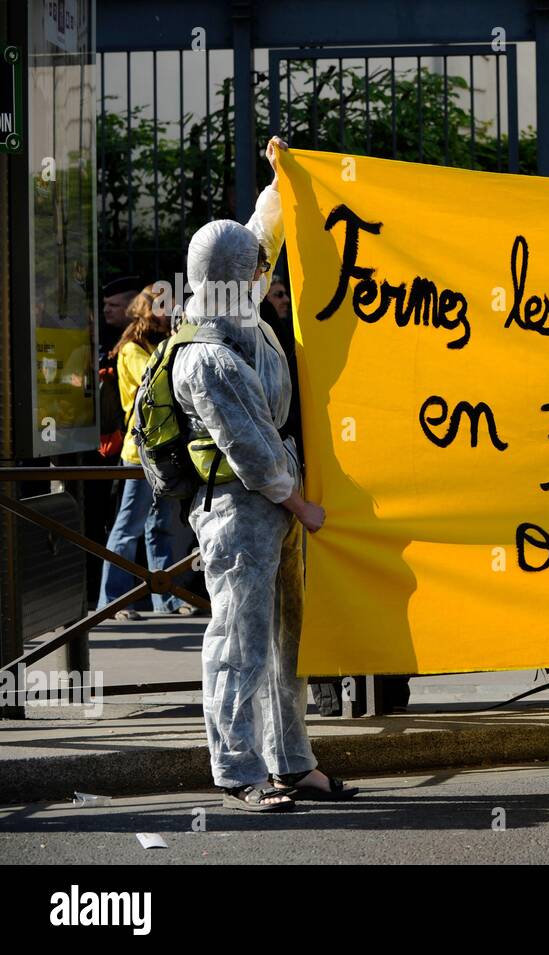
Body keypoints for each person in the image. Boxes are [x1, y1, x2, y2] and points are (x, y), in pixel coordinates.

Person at [174, 136, 356, 810]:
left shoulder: (233, 304)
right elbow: (249, 446)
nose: (267, 273)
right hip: (239, 511)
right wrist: (299, 503)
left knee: (284, 643)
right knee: (239, 642)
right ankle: (238, 769)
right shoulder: (208, 353)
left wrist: (281, 182)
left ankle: (290, 761)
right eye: (256, 269)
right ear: (233, 275)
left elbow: (259, 234)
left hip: (269, 512)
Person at [99, 284, 193, 619]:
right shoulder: (132, 348)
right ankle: (112, 602)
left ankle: (166, 599)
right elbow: (155, 379)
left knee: (162, 526)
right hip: (140, 452)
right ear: (146, 308)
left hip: (166, 449)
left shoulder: (162, 342)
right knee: (128, 527)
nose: (172, 310)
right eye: (164, 304)